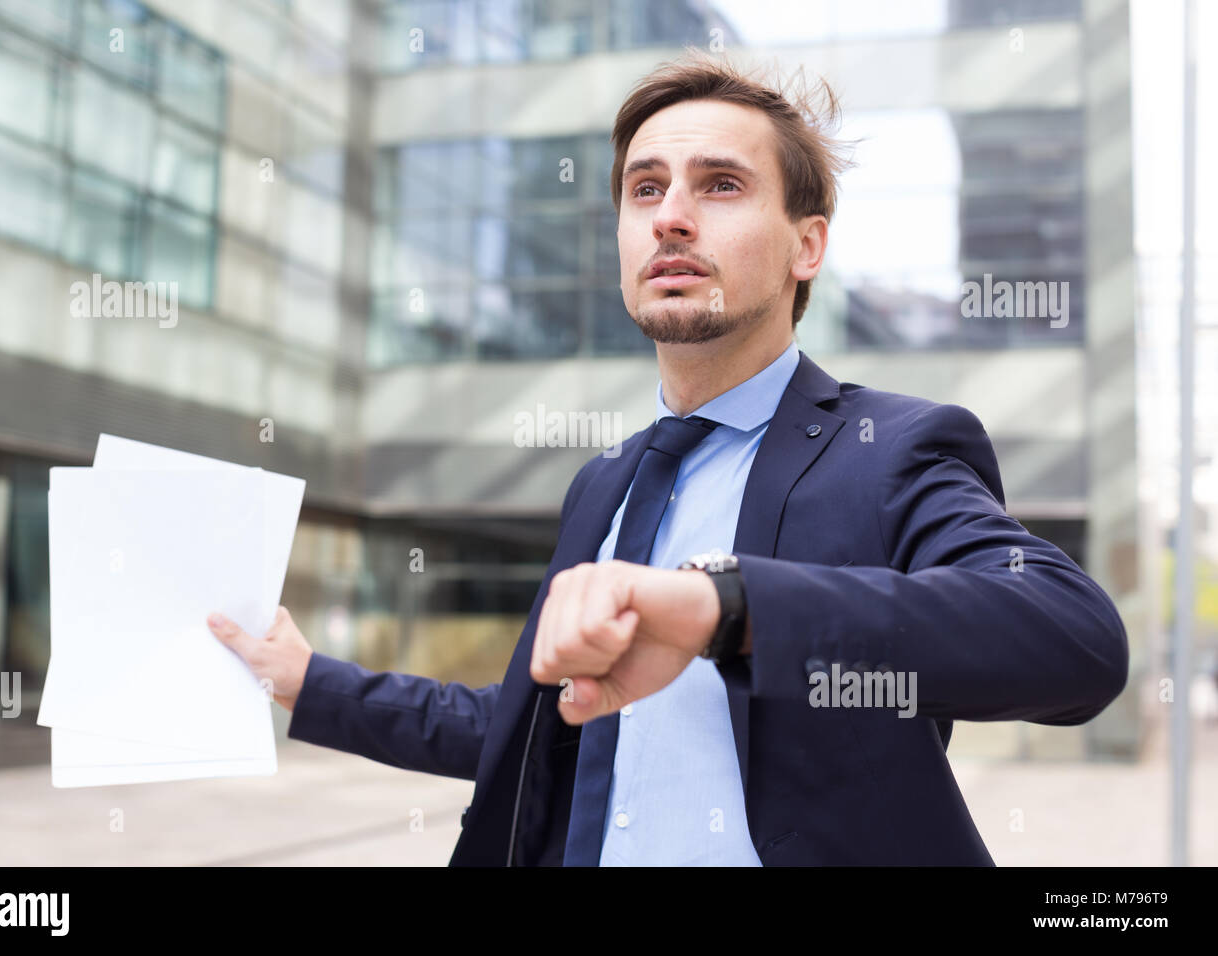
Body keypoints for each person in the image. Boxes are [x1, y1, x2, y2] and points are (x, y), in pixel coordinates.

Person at [207, 50, 1128, 866]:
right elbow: (526, 729)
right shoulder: (602, 485)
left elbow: (1071, 639)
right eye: (645, 189)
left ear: (807, 245)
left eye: (720, 185)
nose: (671, 217)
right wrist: (307, 681)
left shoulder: (888, 451)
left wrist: (725, 605)